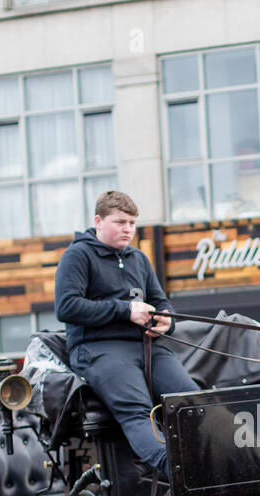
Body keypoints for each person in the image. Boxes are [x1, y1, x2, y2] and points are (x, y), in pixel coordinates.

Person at [54, 190, 198, 480]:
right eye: (120, 222)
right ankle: (177, 471)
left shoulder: (139, 259)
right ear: (98, 221)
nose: (128, 229)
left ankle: (210, 458)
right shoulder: (77, 255)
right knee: (138, 412)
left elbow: (160, 300)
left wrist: (166, 320)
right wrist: (125, 311)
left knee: (191, 400)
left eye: (132, 223)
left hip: (144, 346)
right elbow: (66, 307)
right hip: (97, 349)